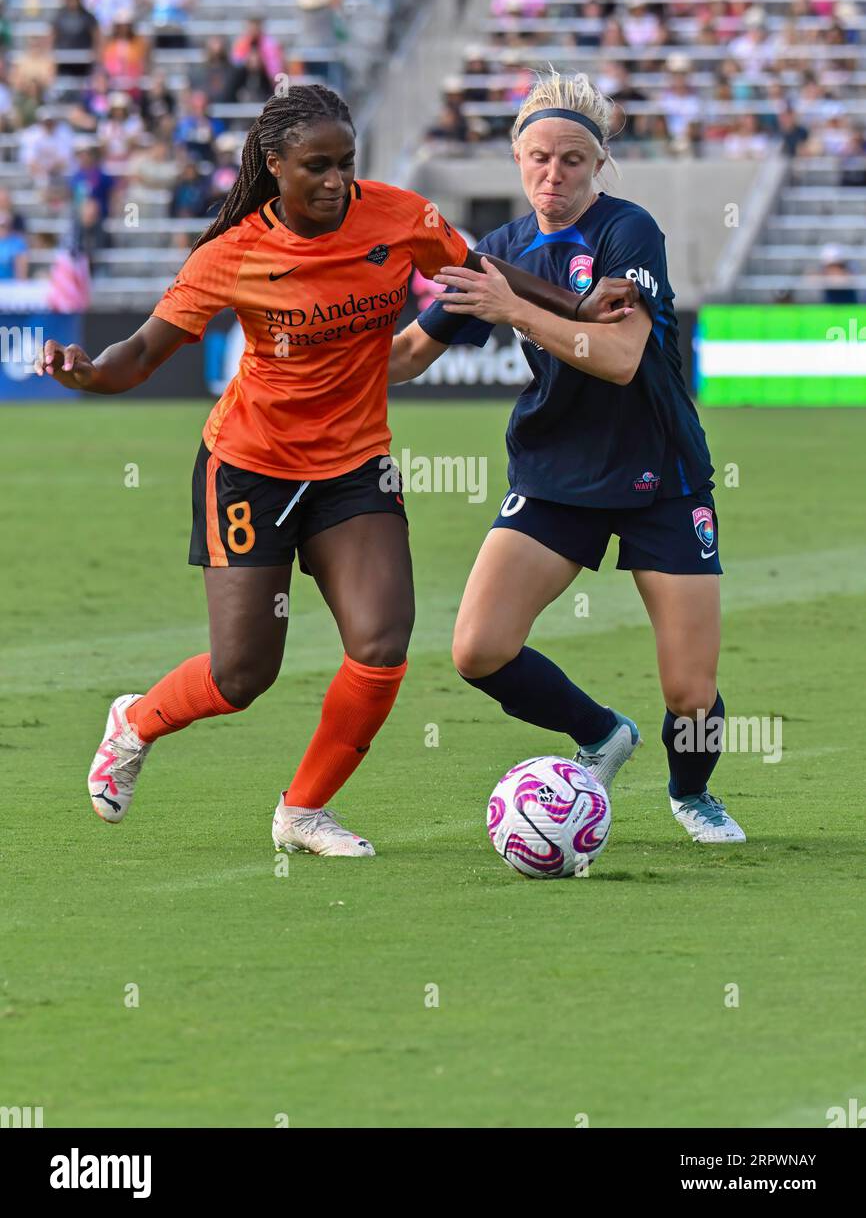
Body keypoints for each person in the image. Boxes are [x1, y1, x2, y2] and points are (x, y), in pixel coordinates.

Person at [34, 84, 630, 858]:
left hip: (354, 469)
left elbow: (484, 272)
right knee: (242, 675)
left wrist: (579, 309)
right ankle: (136, 721)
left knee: (382, 644)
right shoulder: (233, 254)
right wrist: (90, 372)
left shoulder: (399, 216)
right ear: (273, 165)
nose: (335, 181)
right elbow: (142, 352)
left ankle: (303, 811)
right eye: (316, 166)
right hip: (249, 470)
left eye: (346, 163)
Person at [389, 70, 746, 846]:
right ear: (517, 160)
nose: (554, 175)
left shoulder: (628, 231)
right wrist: (309, 353)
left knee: (690, 692)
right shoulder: (501, 249)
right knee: (479, 649)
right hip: (557, 472)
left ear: (599, 164)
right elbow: (411, 355)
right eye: (539, 158)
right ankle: (601, 733)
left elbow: (620, 357)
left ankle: (693, 795)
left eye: (573, 160)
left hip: (662, 475)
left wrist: (513, 307)